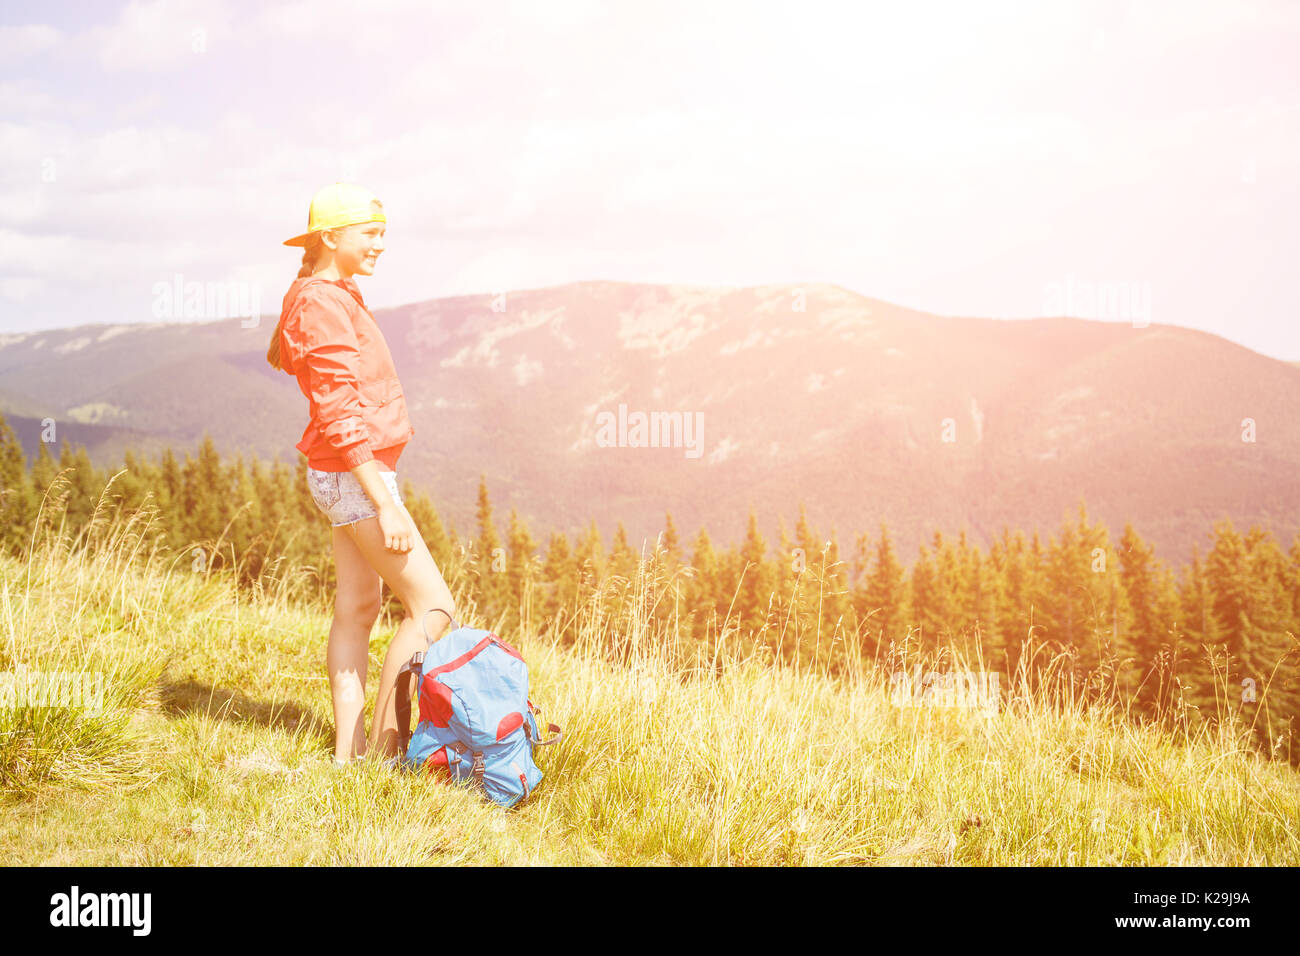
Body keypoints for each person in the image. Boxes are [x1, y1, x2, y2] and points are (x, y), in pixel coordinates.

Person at [265, 182, 457, 765]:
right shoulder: (323, 301)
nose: (380, 245)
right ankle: (383, 755)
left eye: (382, 235)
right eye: (370, 234)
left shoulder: (323, 293)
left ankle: (349, 756)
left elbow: (300, 370)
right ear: (331, 237)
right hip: (356, 477)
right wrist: (387, 503)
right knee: (433, 609)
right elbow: (339, 412)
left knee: (357, 608)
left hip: (342, 476)